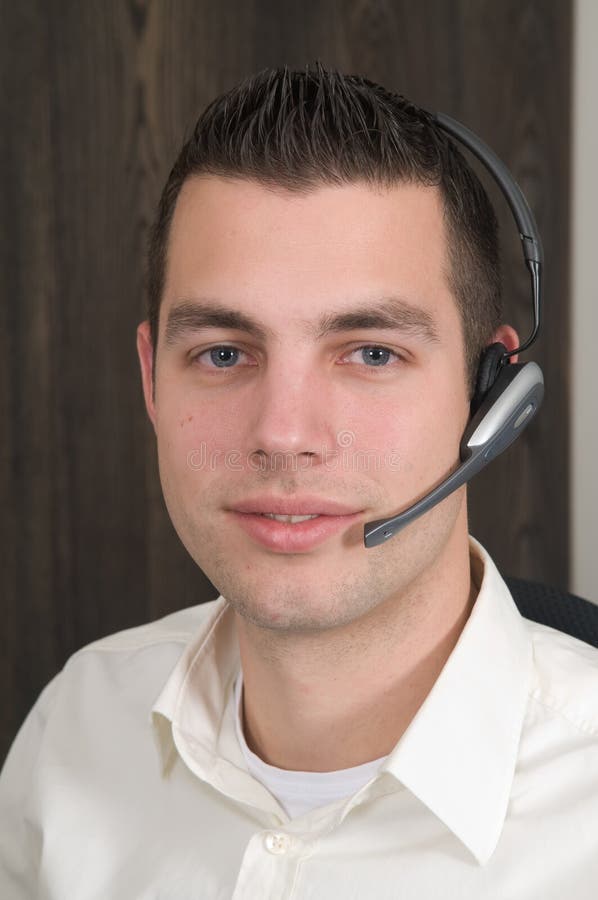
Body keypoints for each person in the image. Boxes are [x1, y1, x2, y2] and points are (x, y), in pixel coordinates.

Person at [1, 64, 597, 899]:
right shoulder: (77, 727)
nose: (283, 435)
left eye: (371, 353)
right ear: (151, 380)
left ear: (488, 395)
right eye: (222, 353)